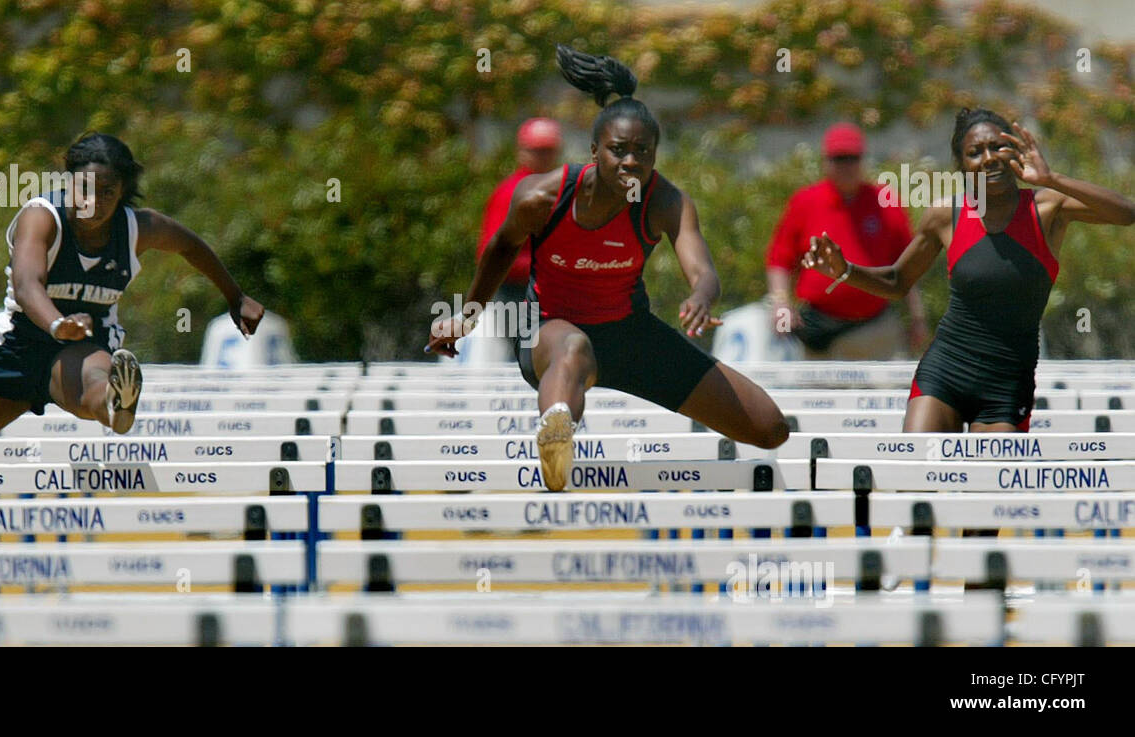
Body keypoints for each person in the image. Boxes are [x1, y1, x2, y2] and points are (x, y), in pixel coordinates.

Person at [426, 45, 790, 491]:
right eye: (620, 150)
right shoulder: (542, 197)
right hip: (550, 329)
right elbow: (501, 249)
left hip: (630, 335)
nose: (632, 161)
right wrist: (465, 318)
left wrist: (700, 295)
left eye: (644, 151)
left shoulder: (662, 201)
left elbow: (702, 268)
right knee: (574, 347)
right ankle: (557, 435)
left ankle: (561, 421)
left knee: (769, 428)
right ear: (594, 149)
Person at [0, 133, 266, 463]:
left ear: (121, 192)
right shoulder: (42, 218)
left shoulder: (138, 228)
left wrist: (235, 297)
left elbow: (190, 245)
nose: (94, 201)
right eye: (84, 188)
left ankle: (114, 404)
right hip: (14, 351)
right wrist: (58, 323)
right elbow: (26, 284)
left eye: (107, 192)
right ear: (68, 181)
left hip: (82, 349)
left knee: (95, 378)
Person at [804, 108, 1134, 435]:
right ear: (963, 166)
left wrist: (1052, 178)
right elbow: (897, 281)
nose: (988, 158)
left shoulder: (1047, 207)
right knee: (916, 471)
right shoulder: (946, 215)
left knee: (990, 480)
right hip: (946, 370)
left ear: (1015, 150)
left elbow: (1126, 213)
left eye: (997, 146)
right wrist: (845, 270)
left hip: (1007, 380)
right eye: (974, 152)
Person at [766, 122, 929, 359]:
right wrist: (781, 304)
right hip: (819, 330)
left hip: (875, 327)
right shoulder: (805, 201)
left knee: (887, 393)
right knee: (815, 395)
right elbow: (780, 259)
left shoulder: (885, 202)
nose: (846, 166)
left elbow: (907, 264)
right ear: (825, 161)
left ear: (862, 160)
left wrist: (917, 317)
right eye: (838, 159)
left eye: (852, 158)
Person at [469, 118, 564, 361]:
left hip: (550, 293)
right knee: (521, 362)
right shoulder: (512, 192)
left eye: (548, 150)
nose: (543, 157)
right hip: (514, 293)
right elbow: (491, 254)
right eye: (537, 150)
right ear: (521, 151)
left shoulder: (563, 190)